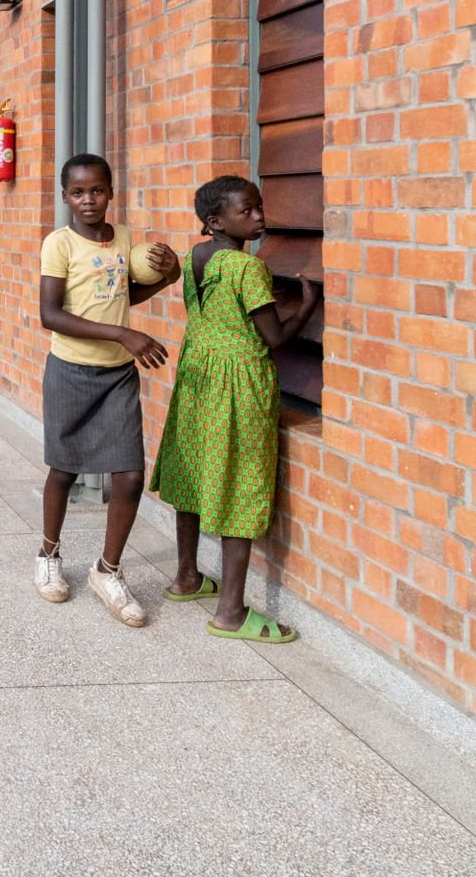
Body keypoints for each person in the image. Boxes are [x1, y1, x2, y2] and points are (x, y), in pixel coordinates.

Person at [154, 176, 320, 644]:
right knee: (240, 484)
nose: (259, 217)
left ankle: (187, 576)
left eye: (259, 207)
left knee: (193, 472)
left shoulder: (196, 257)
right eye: (246, 211)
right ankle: (230, 611)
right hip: (238, 385)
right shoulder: (247, 268)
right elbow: (275, 338)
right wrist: (306, 307)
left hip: (198, 377)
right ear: (216, 221)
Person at [34, 152, 180, 620]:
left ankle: (107, 570)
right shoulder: (59, 244)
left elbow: (122, 294)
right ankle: (49, 554)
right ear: (65, 197)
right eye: (78, 192)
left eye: (97, 190)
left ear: (111, 192)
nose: (88, 199)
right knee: (64, 469)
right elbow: (50, 314)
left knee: (130, 476)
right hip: (70, 370)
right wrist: (124, 334)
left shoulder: (125, 239)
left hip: (117, 375)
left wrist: (170, 276)